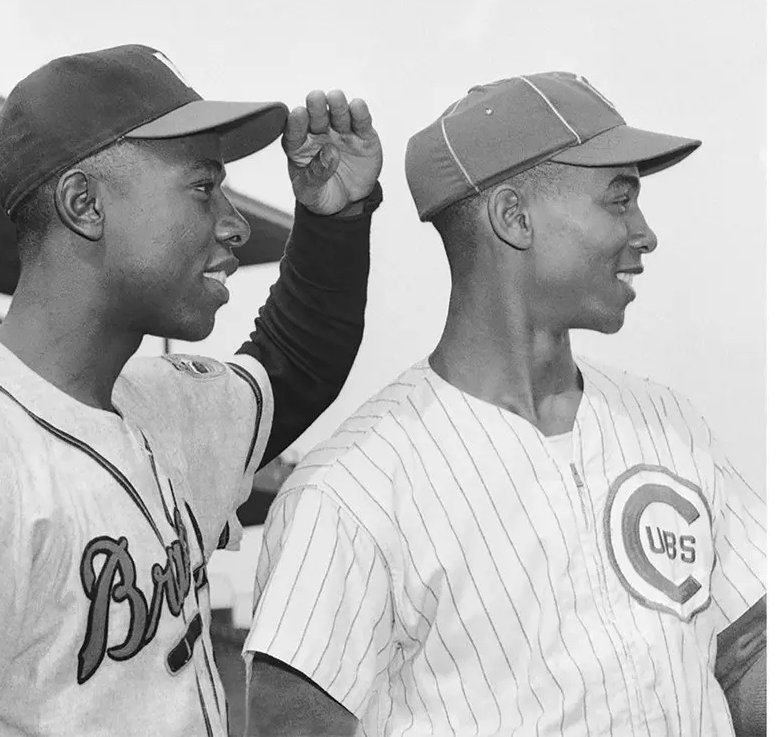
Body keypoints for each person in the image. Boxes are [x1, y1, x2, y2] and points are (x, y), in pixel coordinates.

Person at [0, 44, 384, 736]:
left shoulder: (164, 404)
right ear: (84, 204)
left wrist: (334, 220)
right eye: (204, 188)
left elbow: (295, 365)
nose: (235, 223)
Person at [244, 72, 766, 736]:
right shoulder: (350, 491)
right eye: (620, 199)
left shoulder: (670, 425)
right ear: (514, 218)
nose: (645, 232)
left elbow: (751, 649)